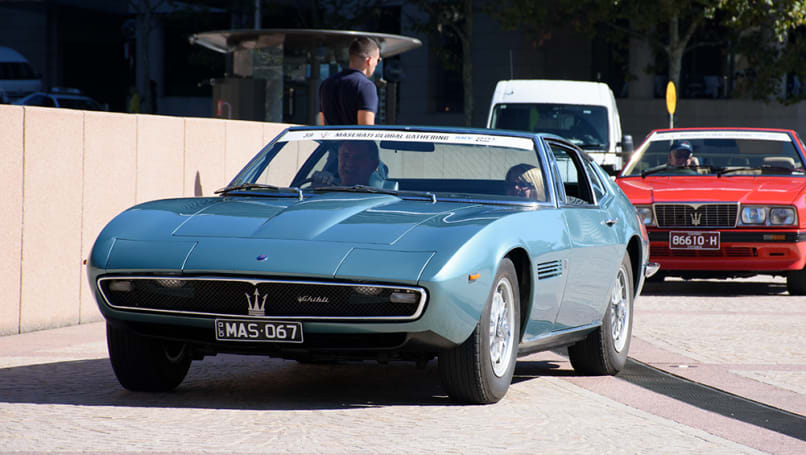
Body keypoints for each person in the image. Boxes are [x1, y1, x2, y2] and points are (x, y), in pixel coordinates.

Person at [318, 36, 381, 125]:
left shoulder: (326, 84)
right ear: (369, 60)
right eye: (378, 60)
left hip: (330, 139)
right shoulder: (366, 86)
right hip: (353, 139)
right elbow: (367, 131)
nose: (377, 64)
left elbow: (323, 125)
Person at [313, 141, 380, 186]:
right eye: (345, 156)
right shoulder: (323, 191)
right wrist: (317, 185)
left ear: (374, 165)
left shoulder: (380, 200)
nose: (349, 163)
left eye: (358, 157)